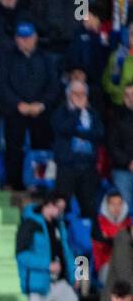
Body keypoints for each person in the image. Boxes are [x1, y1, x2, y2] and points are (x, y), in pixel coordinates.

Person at [0, 22, 59, 193]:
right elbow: (2, 86)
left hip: (40, 112)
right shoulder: (8, 59)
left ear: (35, 38)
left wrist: (41, 104)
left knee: (41, 147)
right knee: (14, 147)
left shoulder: (46, 59)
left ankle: (40, 184)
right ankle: (15, 184)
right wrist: (18, 104)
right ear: (16, 39)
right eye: (21, 38)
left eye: (28, 38)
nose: (25, 41)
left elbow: (53, 86)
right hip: (16, 111)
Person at [51, 79, 105, 220]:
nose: (80, 97)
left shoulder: (93, 113)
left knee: (89, 207)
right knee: (63, 206)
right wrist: (76, 112)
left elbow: (99, 133)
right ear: (68, 95)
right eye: (75, 93)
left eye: (82, 94)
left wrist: (78, 132)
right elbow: (63, 128)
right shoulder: (60, 111)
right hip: (67, 167)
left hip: (88, 167)